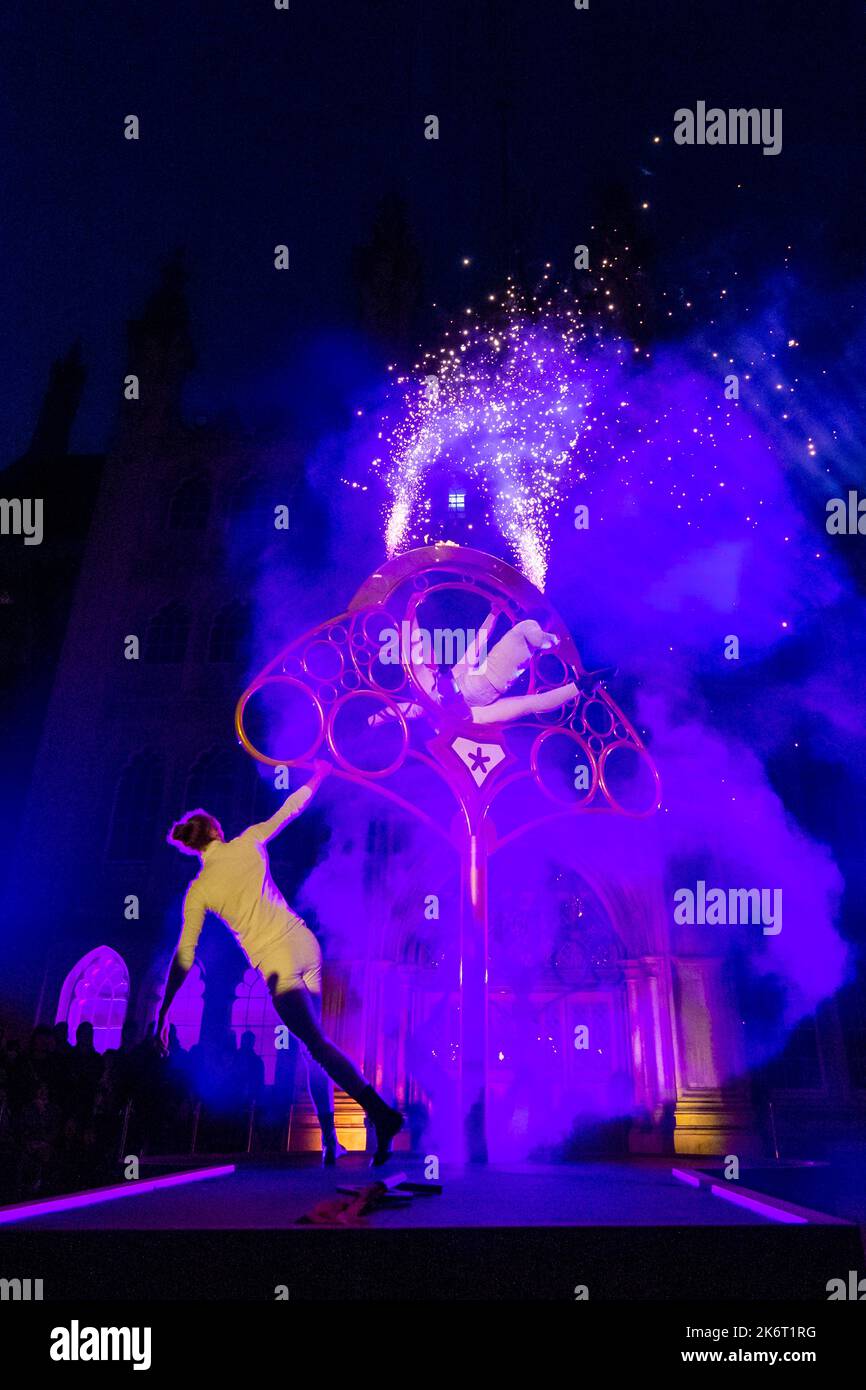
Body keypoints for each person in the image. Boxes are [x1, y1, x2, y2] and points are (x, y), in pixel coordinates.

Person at [157, 760, 403, 1166]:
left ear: (195, 846)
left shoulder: (199, 890)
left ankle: (381, 1113)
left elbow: (184, 956)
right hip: (305, 943)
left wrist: (163, 1012)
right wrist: (320, 775)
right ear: (217, 831)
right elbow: (290, 809)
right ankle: (329, 1139)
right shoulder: (249, 842)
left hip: (278, 963)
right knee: (312, 1049)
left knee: (318, 1046)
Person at [369, 615, 584, 727]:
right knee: (441, 690)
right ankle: (581, 686)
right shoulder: (435, 692)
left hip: (470, 704)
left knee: (444, 688)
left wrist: (493, 614)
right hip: (464, 704)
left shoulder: (449, 680)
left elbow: (477, 643)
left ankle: (582, 686)